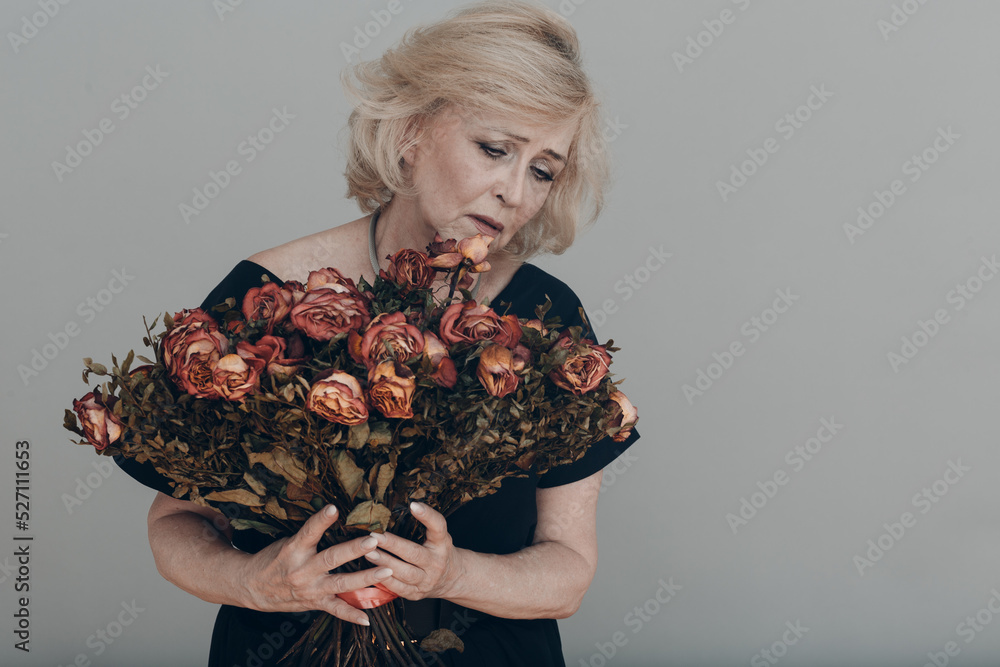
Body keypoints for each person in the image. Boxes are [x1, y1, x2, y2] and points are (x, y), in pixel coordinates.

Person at [114, 2, 641, 665]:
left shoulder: (546, 319)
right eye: (495, 148)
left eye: (543, 169)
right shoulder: (266, 297)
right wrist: (255, 581)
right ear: (412, 131)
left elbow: (569, 569)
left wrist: (452, 576)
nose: (515, 191)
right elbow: (175, 525)